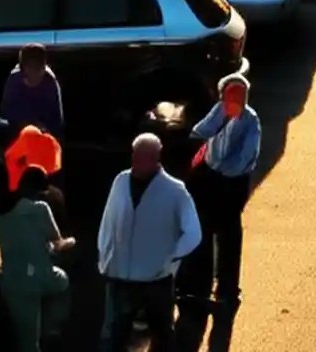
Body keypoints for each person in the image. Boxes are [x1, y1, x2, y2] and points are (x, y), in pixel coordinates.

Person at [97, 133, 201, 352]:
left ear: (156, 158)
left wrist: (171, 258)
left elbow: (193, 233)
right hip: (120, 276)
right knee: (113, 337)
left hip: (156, 280)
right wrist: (104, 256)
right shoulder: (120, 181)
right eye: (134, 155)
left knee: (162, 336)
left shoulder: (175, 190)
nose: (135, 161)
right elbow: (107, 221)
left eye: (142, 156)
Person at [176, 73, 261, 311]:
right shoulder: (220, 111)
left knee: (229, 235)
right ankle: (198, 286)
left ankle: (227, 288)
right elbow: (201, 130)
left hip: (231, 184)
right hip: (211, 180)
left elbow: (245, 158)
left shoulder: (250, 121)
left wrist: (220, 166)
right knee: (203, 231)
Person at [0, 165, 74, 352]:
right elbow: (58, 243)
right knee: (63, 282)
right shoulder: (40, 209)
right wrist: (71, 241)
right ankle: (52, 327)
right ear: (37, 190)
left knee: (26, 340)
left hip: (10, 281)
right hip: (40, 277)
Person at [0, 44, 65, 140]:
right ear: (23, 69)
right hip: (18, 133)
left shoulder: (50, 82)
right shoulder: (14, 80)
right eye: (31, 69)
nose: (35, 75)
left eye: (39, 69)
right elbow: (6, 111)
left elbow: (57, 119)